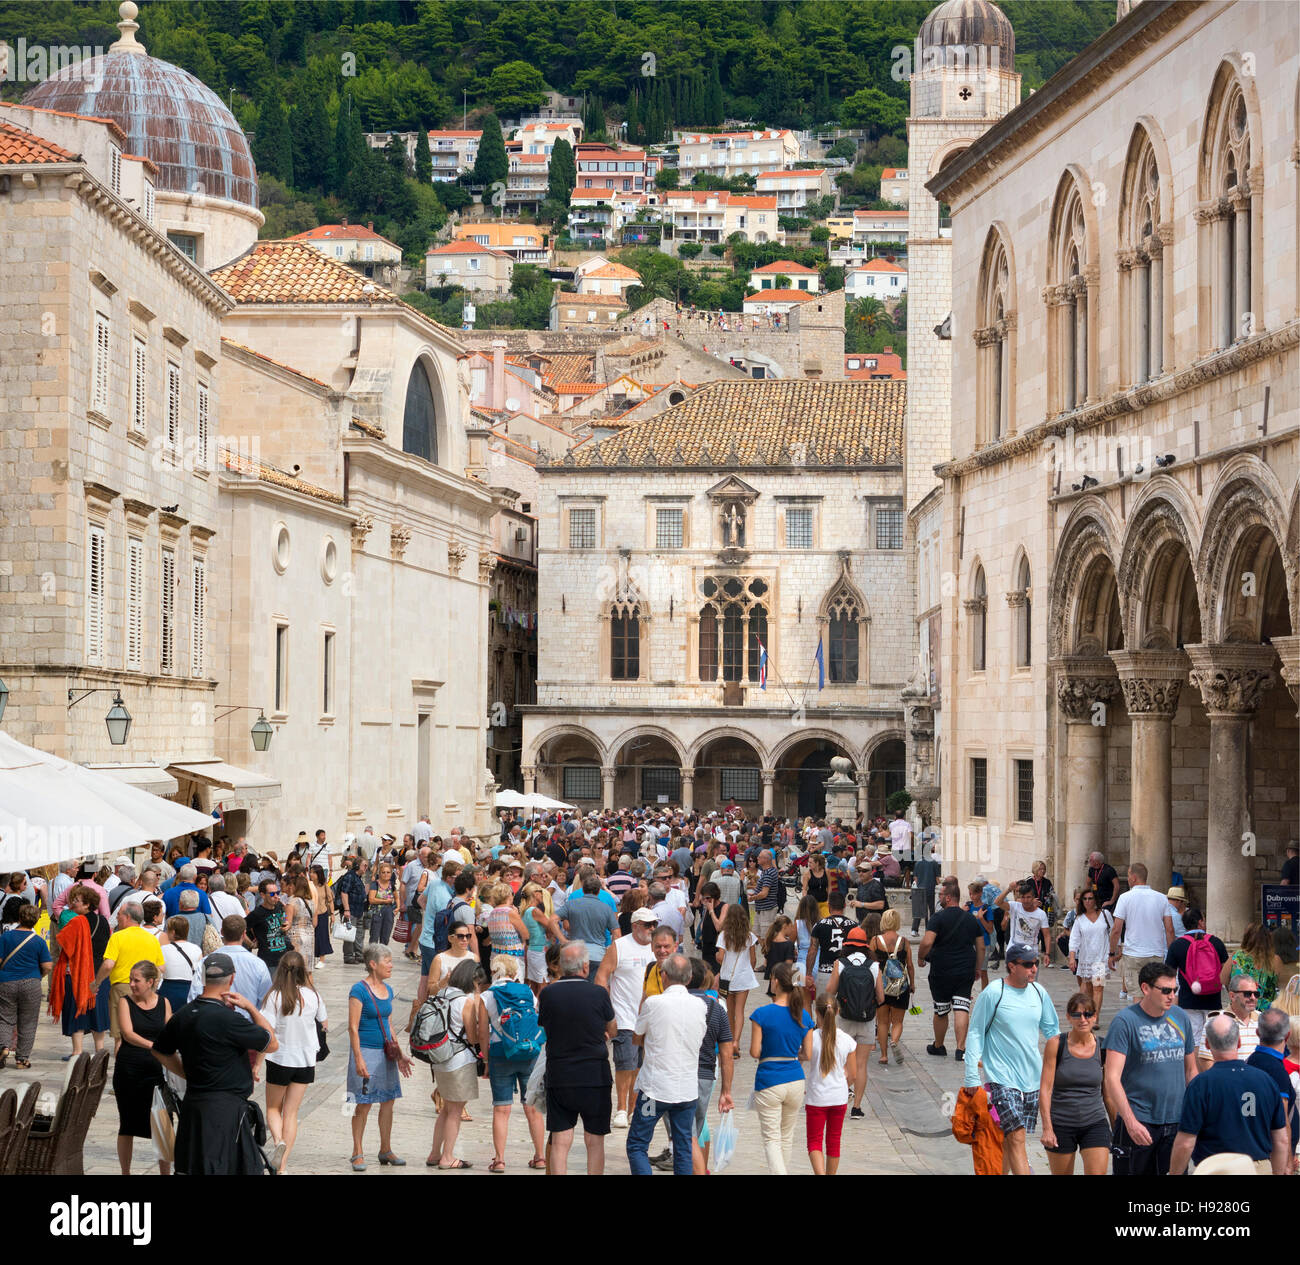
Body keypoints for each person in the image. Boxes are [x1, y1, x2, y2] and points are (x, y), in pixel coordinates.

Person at [152, 952, 280, 1174]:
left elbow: (160, 1051)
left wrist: (185, 1073)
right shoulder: (231, 1020)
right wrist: (250, 1007)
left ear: (202, 978)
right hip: (226, 1111)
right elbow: (271, 1043)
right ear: (232, 979)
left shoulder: (184, 1015)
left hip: (194, 1106)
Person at [963, 943, 1060, 1174]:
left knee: (1011, 1139)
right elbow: (976, 1031)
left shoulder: (1039, 993)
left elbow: (1053, 1032)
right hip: (1001, 1078)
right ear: (1011, 966)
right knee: (1016, 1137)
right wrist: (971, 1077)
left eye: (1035, 963)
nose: (1033, 969)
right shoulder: (995, 992)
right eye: (1027, 964)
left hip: (1032, 1079)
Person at [1103, 960, 1199, 1176]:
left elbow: (1191, 1071)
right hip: (1139, 1121)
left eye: (1174, 990)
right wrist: (1130, 1121)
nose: (1171, 996)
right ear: (1146, 988)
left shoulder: (1180, 1017)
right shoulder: (1125, 1021)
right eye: (1165, 990)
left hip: (1176, 1122)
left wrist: (1195, 1112)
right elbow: (1111, 1077)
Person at [1170, 1012, 1288, 1175]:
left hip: (1215, 1168)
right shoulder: (1266, 1080)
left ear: (1207, 1044)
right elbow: (1281, 1140)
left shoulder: (1201, 1084)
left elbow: (1186, 1142)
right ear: (1239, 1042)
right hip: (1257, 1167)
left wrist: (1174, 1173)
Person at [537, 943, 617, 1175]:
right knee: (594, 1141)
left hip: (560, 1074)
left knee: (561, 1140)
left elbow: (546, 1024)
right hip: (594, 1075)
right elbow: (612, 1029)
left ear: (561, 966)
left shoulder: (548, 993)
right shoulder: (599, 993)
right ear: (584, 966)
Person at [627, 953, 708, 1176]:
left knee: (637, 1144)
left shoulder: (654, 1003)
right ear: (689, 977)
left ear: (663, 975)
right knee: (682, 1146)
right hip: (686, 1091)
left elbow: (636, 1037)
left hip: (654, 1090)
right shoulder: (700, 1006)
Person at [256, 951, 325, 1174]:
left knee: (273, 1108)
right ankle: (283, 1165)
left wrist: (257, 1063)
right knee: (292, 1113)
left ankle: (278, 1142)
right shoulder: (313, 995)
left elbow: (266, 1032)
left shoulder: (274, 997)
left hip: (280, 1058)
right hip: (305, 1060)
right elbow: (323, 1022)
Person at [477, 955, 546, 1172]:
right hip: (529, 1054)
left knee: (502, 1109)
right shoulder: (527, 992)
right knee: (532, 1108)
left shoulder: (487, 996)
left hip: (501, 1054)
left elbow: (482, 1032)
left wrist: (486, 1061)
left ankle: (499, 1160)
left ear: (494, 972)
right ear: (514, 972)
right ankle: (541, 1157)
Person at [346, 944, 412, 1170]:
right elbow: (353, 1028)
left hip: (385, 1054)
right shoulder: (359, 990)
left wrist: (400, 1053)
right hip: (366, 1050)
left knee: (388, 1101)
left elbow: (389, 1023)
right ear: (373, 964)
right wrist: (358, 1059)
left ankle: (386, 1149)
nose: (391, 965)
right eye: (388, 961)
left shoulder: (388, 990)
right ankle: (357, 1151)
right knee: (363, 1104)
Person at [595, 905, 658, 1129]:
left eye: (654, 924)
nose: (652, 928)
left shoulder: (658, 948)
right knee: (625, 1064)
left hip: (651, 1018)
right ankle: (621, 1108)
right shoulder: (619, 947)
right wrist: (606, 1012)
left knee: (642, 1066)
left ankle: (633, 1109)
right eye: (647, 925)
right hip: (624, 1016)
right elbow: (602, 978)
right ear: (635, 926)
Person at [750, 960, 814, 1173]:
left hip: (769, 1078)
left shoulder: (762, 1014)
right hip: (795, 1077)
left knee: (771, 1139)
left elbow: (755, 1052)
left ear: (775, 982)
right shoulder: (803, 1016)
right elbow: (807, 1053)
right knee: (786, 1137)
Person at [1038, 991, 1110, 1175]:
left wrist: (1118, 1127)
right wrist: (1047, 1128)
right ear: (1069, 1017)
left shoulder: (1103, 1048)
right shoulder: (1056, 1044)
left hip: (1094, 1122)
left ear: (1095, 1016)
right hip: (1061, 1123)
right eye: (1077, 1015)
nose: (1083, 1019)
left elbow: (1108, 1093)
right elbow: (1045, 1090)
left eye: (1088, 1014)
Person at [113, 960, 170, 1175]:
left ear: (150, 982)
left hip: (157, 1073)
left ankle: (166, 1172)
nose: (132, 984)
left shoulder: (164, 1002)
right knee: (126, 1123)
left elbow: (169, 1030)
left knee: (163, 1123)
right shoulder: (125, 1002)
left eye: (136, 980)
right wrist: (153, 1046)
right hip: (129, 1071)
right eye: (131, 980)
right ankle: (125, 1172)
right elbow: (128, 1034)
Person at [918, 876, 984, 1061]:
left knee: (941, 1009)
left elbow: (927, 941)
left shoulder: (938, 918)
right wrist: (977, 967)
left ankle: (938, 1045)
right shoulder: (971, 920)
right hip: (965, 969)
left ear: (948, 898)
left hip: (941, 970)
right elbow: (981, 947)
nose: (939, 898)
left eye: (940, 895)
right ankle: (960, 1049)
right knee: (962, 1006)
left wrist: (921, 957)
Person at [428, 957, 483, 1169]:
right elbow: (472, 1037)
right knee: (455, 1111)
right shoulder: (465, 1002)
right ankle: (448, 1157)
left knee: (445, 1109)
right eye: (477, 982)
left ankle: (435, 1153)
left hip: (440, 1058)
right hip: (459, 1060)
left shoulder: (442, 994)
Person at [50, 884, 112, 1057]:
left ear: (87, 905)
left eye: (76, 901)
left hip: (78, 973)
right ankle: (99, 1050)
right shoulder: (103, 921)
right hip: (98, 973)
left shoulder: (77, 921)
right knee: (97, 1012)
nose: (71, 904)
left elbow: (63, 942)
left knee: (76, 1011)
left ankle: (77, 1051)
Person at [827, 925, 882, 1119]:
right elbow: (881, 997)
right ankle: (857, 1107)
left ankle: (837, 1099)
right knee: (861, 1065)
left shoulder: (840, 963)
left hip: (844, 1019)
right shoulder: (873, 966)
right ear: (866, 946)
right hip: (867, 1020)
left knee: (841, 1061)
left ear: (847, 944)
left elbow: (830, 990)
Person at [94, 903, 165, 1051]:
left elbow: (108, 965)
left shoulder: (118, 937)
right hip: (146, 990)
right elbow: (161, 968)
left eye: (119, 913)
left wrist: (96, 982)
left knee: (120, 1036)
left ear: (127, 917)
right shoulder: (151, 939)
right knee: (143, 1033)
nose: (117, 917)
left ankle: (122, 1070)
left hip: (122, 988)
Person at [687, 957, 734, 1174]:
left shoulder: (672, 1003)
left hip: (679, 1075)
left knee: (687, 1135)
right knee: (694, 1129)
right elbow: (726, 1054)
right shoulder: (717, 1009)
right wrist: (726, 1090)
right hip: (706, 1075)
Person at [804, 995, 856, 1175]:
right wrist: (843, 1084)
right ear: (838, 1012)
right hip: (838, 1097)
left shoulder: (812, 1038)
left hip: (816, 1097)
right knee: (834, 1141)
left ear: (816, 1012)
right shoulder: (847, 1040)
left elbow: (803, 1057)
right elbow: (853, 1073)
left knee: (814, 1141)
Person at [1165, 906, 1228, 1050]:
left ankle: (1195, 1071)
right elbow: (1225, 971)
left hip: (1189, 998)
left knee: (1193, 1039)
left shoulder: (1177, 945)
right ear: (1200, 922)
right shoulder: (1216, 942)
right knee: (1214, 1038)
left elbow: (1169, 974)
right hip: (1213, 998)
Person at [1109, 861, 1175, 999]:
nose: (1127, 879)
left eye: (1128, 875)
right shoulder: (1162, 898)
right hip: (1156, 953)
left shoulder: (1124, 898)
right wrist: (1172, 954)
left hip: (1134, 954)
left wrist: (1111, 953)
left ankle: (1140, 1020)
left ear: (1133, 877)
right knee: (1155, 994)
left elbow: (1116, 929)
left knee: (1137, 995)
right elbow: (1169, 930)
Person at [0, 904, 53, 1070]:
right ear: (37, 921)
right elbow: (48, 966)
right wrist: (39, 976)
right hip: (31, 983)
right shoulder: (38, 941)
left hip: (6, 982)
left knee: (5, 1018)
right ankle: (22, 1059)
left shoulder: (6, 937)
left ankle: (4, 1047)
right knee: (28, 1021)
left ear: (20, 917)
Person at [186, 915, 273, 1013]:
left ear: (222, 932)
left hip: (212, 1020)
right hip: (247, 1023)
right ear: (244, 934)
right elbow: (266, 1001)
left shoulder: (206, 962)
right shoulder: (258, 964)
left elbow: (195, 995)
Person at [872, 908, 914, 1065]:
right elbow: (909, 965)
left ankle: (883, 1055)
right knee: (897, 1022)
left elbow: (871, 963)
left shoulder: (875, 941)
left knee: (882, 1022)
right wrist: (913, 983)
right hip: (900, 987)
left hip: (881, 987)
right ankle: (894, 1040)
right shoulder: (904, 942)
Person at [718, 901, 759, 1059]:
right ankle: (736, 1041)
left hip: (728, 978)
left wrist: (717, 957)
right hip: (743, 977)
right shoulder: (749, 937)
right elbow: (753, 960)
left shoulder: (723, 936)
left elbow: (720, 957)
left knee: (730, 1012)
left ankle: (729, 1043)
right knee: (740, 1011)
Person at [1197, 972, 1262, 1066]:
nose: (1253, 998)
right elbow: (1206, 1059)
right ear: (1232, 996)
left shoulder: (1263, 1019)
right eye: (1247, 994)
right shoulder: (1216, 1021)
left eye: (1256, 994)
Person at [1067, 888, 1113, 1014]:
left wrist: (1114, 952)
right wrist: (1072, 958)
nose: (1087, 901)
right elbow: (1074, 940)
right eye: (1085, 899)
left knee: (1098, 988)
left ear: (1095, 900)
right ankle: (1087, 1012)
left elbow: (1113, 933)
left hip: (1101, 958)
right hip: (1086, 959)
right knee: (1087, 989)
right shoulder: (1079, 919)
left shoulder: (1105, 915)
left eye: (1090, 898)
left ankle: (1095, 1018)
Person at [808, 891, 857, 1001]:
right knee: (843, 1010)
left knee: (823, 1010)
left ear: (829, 906)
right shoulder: (854, 925)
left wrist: (809, 973)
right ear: (844, 906)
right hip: (847, 972)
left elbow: (813, 950)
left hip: (826, 971)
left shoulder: (819, 925)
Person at [564, 872, 620, 967]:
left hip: (577, 949)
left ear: (581, 882)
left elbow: (565, 925)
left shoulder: (573, 896)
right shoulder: (607, 897)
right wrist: (612, 949)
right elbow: (615, 927)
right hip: (602, 948)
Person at [995, 879, 1051, 969]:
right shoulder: (1015, 906)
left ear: (1033, 897)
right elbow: (997, 902)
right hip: (1014, 951)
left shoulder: (1041, 914)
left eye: (1028, 897)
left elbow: (1047, 935)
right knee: (1016, 982)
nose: (1025, 900)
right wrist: (1009, 889)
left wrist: (1047, 954)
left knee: (1030, 981)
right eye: (1023, 897)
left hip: (1031, 953)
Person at [1223, 922, 1280, 1008]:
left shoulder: (1235, 957)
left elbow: (1223, 980)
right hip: (1266, 1011)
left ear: (1246, 938)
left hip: (1241, 1008)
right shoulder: (1274, 960)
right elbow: (1283, 986)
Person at [245, 878, 289, 972]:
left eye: (277, 892)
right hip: (268, 961)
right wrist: (251, 944)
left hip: (284, 958)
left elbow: (284, 923)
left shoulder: (279, 907)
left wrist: (287, 926)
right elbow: (241, 930)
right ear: (263, 895)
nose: (276, 896)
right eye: (272, 894)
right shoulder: (257, 913)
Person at [159, 915, 202, 1010]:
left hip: (168, 988)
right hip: (189, 989)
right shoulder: (196, 949)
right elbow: (201, 976)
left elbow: (159, 971)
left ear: (173, 932)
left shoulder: (163, 949)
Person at [334, 857, 368, 966]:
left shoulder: (359, 877)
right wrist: (347, 909)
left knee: (359, 934)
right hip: (350, 910)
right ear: (357, 866)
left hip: (359, 910)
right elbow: (344, 893)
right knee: (349, 933)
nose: (366, 868)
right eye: (364, 865)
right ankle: (348, 956)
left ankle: (359, 954)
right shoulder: (350, 876)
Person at [283, 873, 316, 973]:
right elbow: (315, 922)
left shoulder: (292, 902)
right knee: (307, 972)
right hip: (309, 937)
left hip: (296, 938)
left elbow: (287, 925)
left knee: (295, 970)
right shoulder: (311, 902)